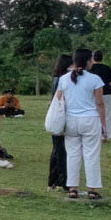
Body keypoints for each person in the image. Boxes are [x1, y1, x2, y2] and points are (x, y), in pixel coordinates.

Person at [53, 46, 109, 200]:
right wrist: (104, 125)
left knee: (72, 155)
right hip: (90, 119)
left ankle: (72, 188)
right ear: (88, 61)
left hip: (71, 120)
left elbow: (58, 100)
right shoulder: (95, 79)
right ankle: (92, 189)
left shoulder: (64, 79)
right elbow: (100, 103)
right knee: (91, 155)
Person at [46, 52, 73, 191]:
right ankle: (63, 180)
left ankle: (52, 181)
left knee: (57, 149)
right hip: (61, 116)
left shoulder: (57, 78)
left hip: (55, 116)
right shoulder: (64, 79)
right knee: (62, 150)